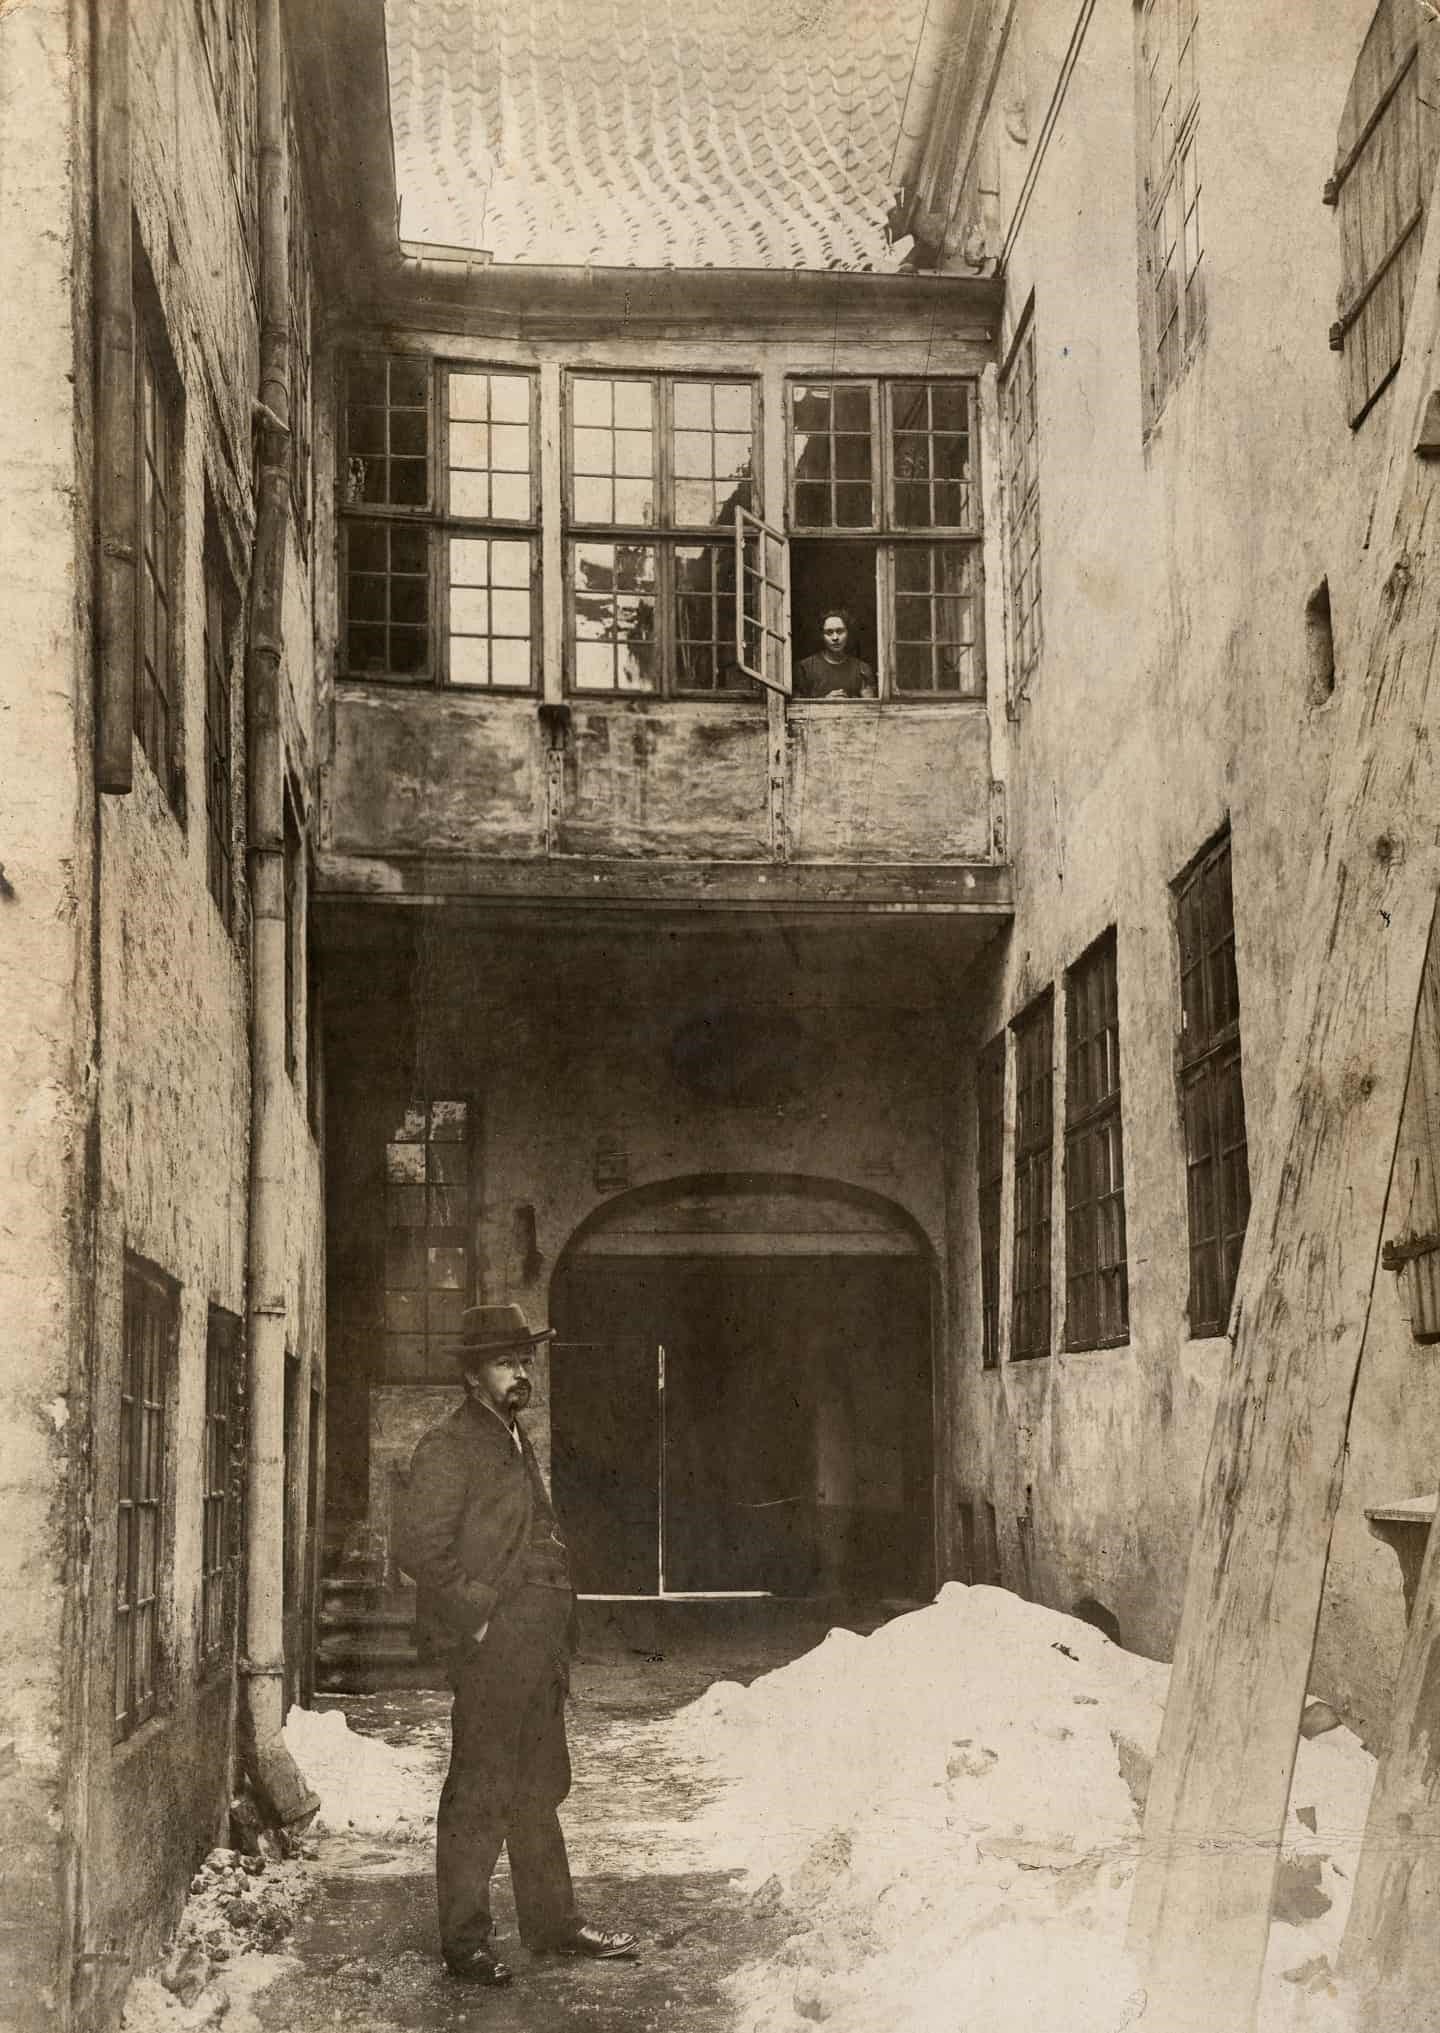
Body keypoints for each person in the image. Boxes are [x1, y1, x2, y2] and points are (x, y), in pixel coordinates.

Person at [396, 1301, 638, 1988]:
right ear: (473, 1374)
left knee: (538, 1787)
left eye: (525, 1360)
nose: (521, 1372)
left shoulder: (512, 1436)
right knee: (479, 1790)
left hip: (536, 1648)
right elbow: (420, 1547)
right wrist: (479, 1617)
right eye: (506, 1362)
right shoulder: (450, 1445)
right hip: (494, 1648)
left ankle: (553, 1924)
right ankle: (465, 1942)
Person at [794, 606, 877, 698]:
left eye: (840, 631)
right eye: (829, 632)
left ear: (848, 633)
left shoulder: (862, 669)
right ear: (822, 635)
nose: (835, 638)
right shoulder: (805, 667)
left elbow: (870, 707)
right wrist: (824, 702)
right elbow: (797, 708)